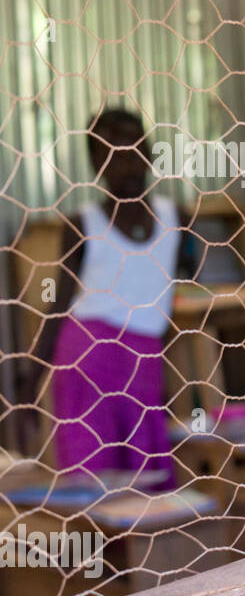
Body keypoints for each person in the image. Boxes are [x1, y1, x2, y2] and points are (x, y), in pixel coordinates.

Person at [17, 109, 184, 490]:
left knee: (148, 477)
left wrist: (166, 372)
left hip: (144, 360)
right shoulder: (82, 224)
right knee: (95, 480)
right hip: (87, 363)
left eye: (134, 151)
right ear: (96, 165)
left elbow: (172, 289)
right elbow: (57, 305)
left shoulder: (178, 219)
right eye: (113, 155)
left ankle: (142, 550)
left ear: (150, 153)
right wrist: (30, 382)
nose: (126, 164)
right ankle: (97, 550)